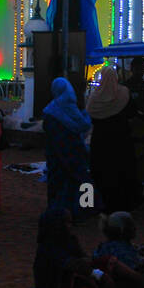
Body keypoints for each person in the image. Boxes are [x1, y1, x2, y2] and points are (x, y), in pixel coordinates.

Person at [33, 208, 112, 288]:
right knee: (80, 280)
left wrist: (90, 263)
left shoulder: (70, 239)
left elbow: (82, 257)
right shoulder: (48, 247)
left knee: (106, 262)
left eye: (70, 222)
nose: (70, 226)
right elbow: (70, 264)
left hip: (66, 283)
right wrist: (98, 274)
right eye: (66, 222)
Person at [86, 65, 138, 214]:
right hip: (120, 140)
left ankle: (98, 204)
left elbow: (90, 116)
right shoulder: (123, 94)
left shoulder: (95, 97)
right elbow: (132, 113)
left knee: (101, 173)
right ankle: (123, 205)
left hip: (100, 142)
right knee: (121, 172)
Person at [43, 76, 94, 220]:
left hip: (55, 155)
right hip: (74, 152)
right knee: (83, 182)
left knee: (56, 184)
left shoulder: (50, 110)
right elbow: (83, 125)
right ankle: (83, 210)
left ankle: (54, 211)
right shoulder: (71, 107)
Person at [92, 211, 144, 288]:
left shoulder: (113, 245)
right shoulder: (119, 250)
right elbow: (139, 279)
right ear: (122, 230)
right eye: (131, 225)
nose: (135, 228)